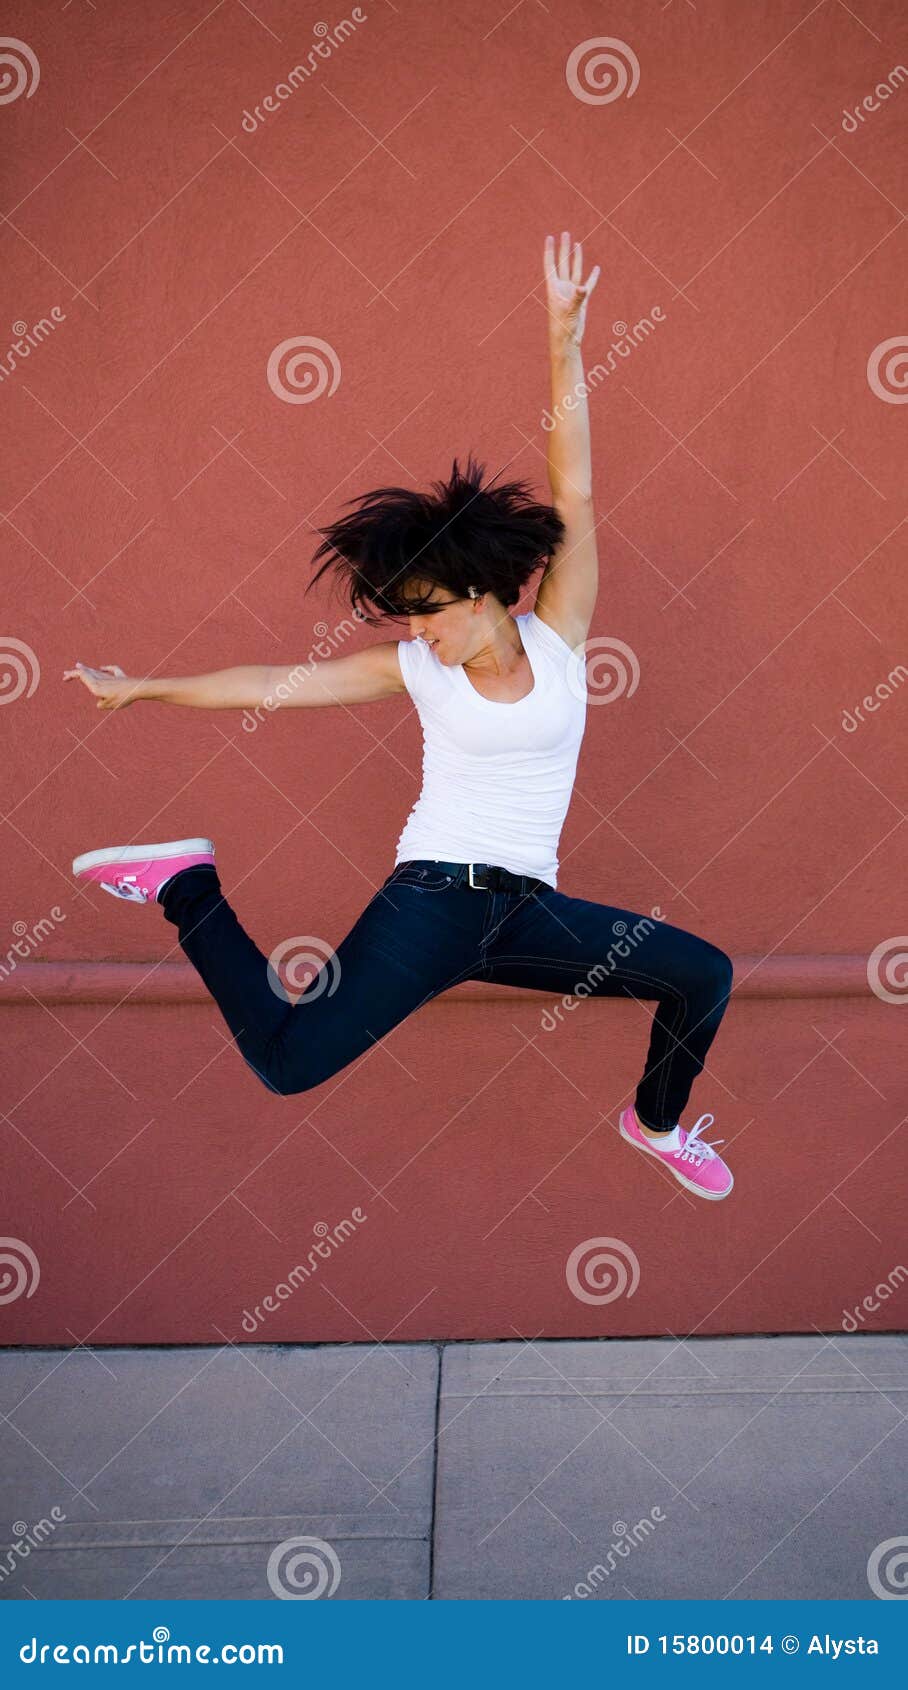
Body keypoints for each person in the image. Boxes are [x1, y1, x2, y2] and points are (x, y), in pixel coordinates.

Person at [65, 232, 734, 1200]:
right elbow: (268, 686)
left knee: (701, 974)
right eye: (404, 615)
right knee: (287, 1061)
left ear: (482, 594)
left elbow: (575, 487)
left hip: (525, 912)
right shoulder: (416, 673)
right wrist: (144, 688)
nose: (417, 632)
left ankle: (654, 1121)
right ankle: (186, 887)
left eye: (428, 610)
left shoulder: (556, 638)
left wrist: (563, 338)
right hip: (426, 908)